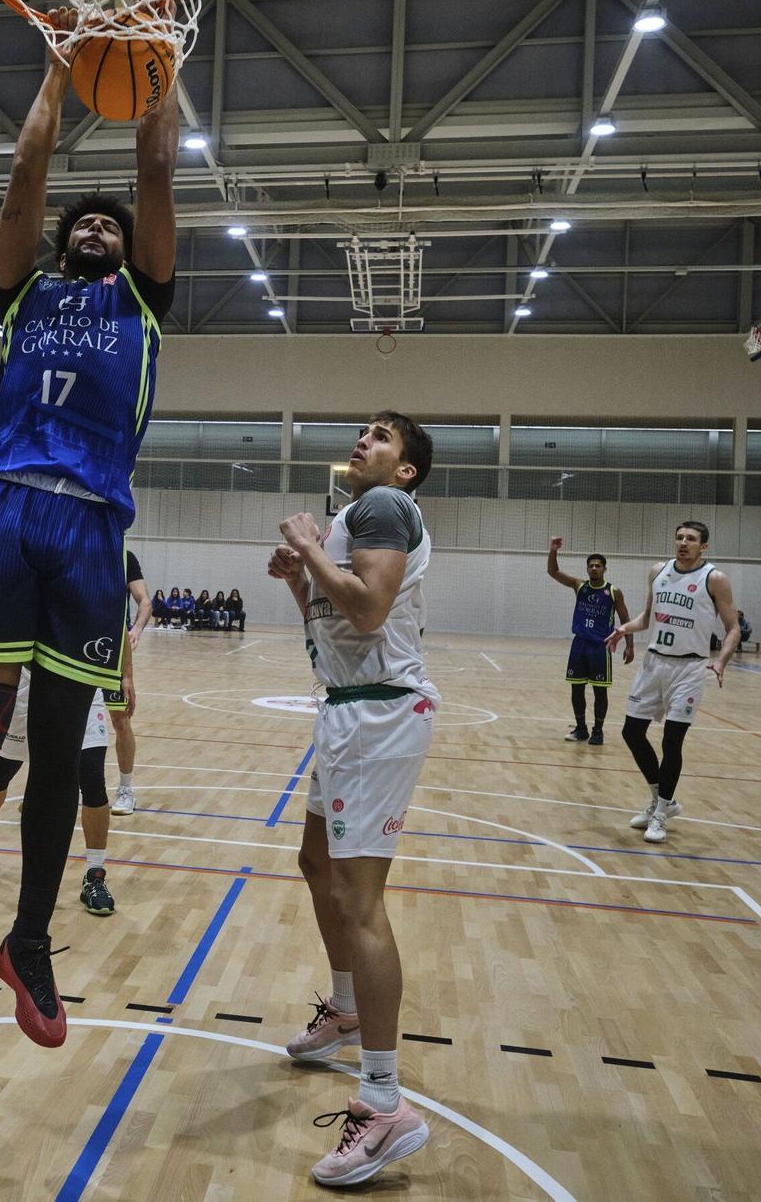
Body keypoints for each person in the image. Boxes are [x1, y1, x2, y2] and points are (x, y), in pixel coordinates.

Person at [0, 27, 177, 1050]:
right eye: (91, 223)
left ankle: (29, 939)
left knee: (63, 749)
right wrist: (56, 66)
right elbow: (27, 171)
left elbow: (154, 166)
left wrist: (157, 61)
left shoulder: (142, 304)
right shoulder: (24, 291)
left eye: (114, 228)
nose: (102, 231)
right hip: (11, 507)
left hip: (92, 530)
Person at [267, 414, 438, 1188]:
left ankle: (383, 1099)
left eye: (382, 436)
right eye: (363, 430)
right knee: (314, 862)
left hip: (375, 715)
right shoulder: (358, 516)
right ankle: (344, 1009)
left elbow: (369, 609)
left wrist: (308, 549)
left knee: (361, 901)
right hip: (346, 707)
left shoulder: (382, 508)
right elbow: (339, 622)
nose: (363, 438)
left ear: (406, 470)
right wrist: (304, 582)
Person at [605, 521, 740, 845]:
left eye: (691, 539)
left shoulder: (714, 579)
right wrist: (624, 629)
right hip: (654, 663)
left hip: (689, 669)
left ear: (703, 546)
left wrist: (720, 660)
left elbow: (732, 626)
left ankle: (661, 813)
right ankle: (660, 798)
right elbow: (646, 617)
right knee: (631, 732)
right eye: (679, 537)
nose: (683, 543)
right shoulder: (658, 571)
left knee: (671, 741)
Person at [0, 674, 120, 916]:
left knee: (91, 778)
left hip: (83, 684)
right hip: (29, 686)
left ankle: (95, 873)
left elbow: (116, 635)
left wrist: (127, 673)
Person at [544, 538, 633, 746]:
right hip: (580, 645)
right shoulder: (579, 586)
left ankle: (598, 730)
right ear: (587, 569)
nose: (594, 568)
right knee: (577, 689)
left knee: (600, 690)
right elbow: (553, 572)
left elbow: (625, 620)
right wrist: (553, 551)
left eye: (598, 566)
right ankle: (581, 729)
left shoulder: (613, 591)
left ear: (604, 569)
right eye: (591, 566)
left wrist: (630, 645)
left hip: (600, 647)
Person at [107, 548, 151, 815]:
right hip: (74, 645)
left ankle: (126, 789)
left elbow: (144, 601)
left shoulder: (124, 556)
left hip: (112, 648)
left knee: (120, 719)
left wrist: (135, 629)